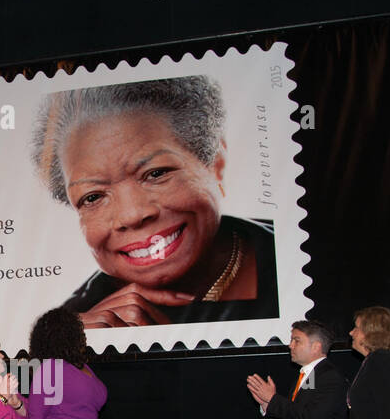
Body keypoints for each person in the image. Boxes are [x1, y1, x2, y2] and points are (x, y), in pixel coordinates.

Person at [30, 76, 278, 329]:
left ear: (215, 164)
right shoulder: (76, 324)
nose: (132, 215)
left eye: (156, 173)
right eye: (93, 197)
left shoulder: (293, 256)